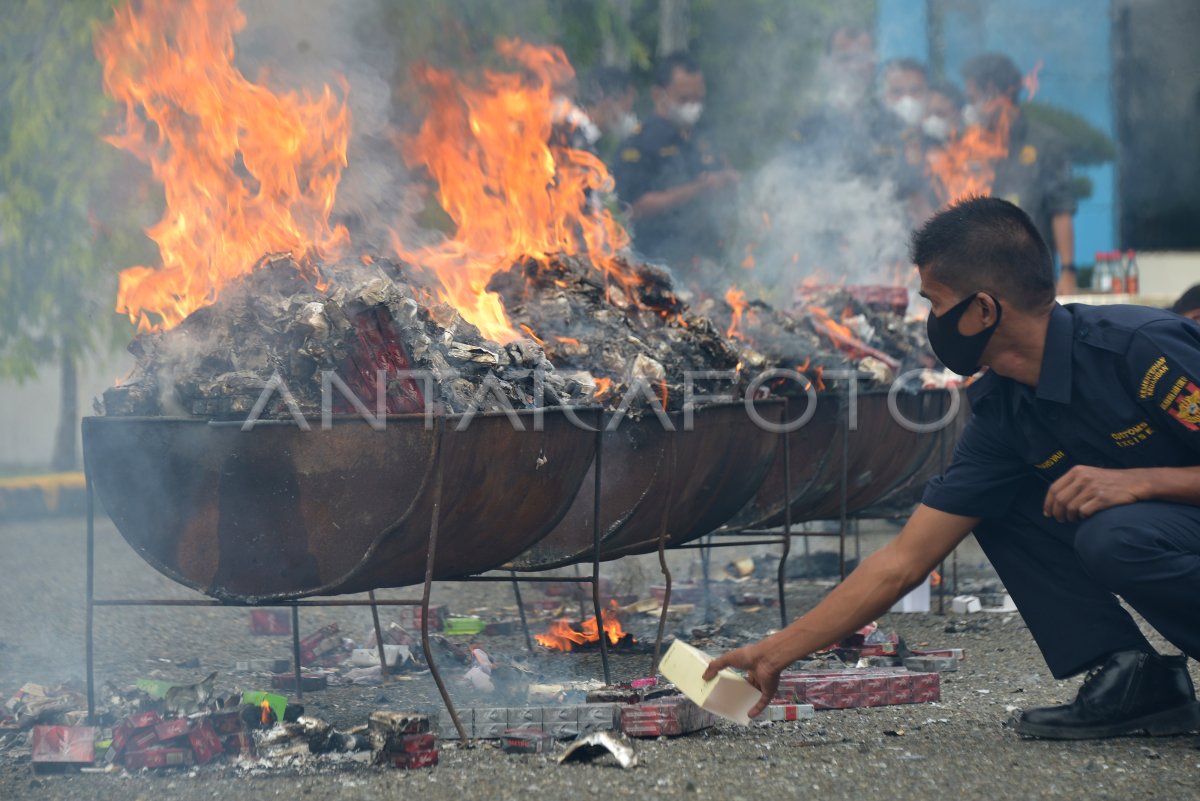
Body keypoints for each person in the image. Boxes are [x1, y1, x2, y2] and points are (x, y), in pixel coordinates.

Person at [707, 197, 1200, 740]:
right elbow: (904, 560)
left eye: (935, 303)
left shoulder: (1140, 348)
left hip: (1153, 529)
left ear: (983, 310)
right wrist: (774, 653)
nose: (930, 322)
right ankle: (1135, 681)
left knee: (1117, 535)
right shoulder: (1005, 409)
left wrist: (1140, 482)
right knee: (1002, 504)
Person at [961, 53, 1078, 295]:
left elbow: (1061, 210)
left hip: (1030, 278)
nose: (968, 107)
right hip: (979, 277)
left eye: (971, 98)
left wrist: (1068, 271)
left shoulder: (1046, 143)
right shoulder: (970, 144)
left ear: (992, 93)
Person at [613, 53, 738, 274]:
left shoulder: (705, 135)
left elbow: (726, 173)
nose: (693, 106)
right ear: (658, 95)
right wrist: (699, 188)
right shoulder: (639, 143)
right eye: (684, 99)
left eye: (698, 99)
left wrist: (729, 181)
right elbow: (636, 206)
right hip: (659, 265)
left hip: (709, 262)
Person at [576, 66, 639, 166]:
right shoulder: (571, 135)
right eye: (626, 109)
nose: (629, 117)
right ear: (608, 101)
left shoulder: (592, 140)